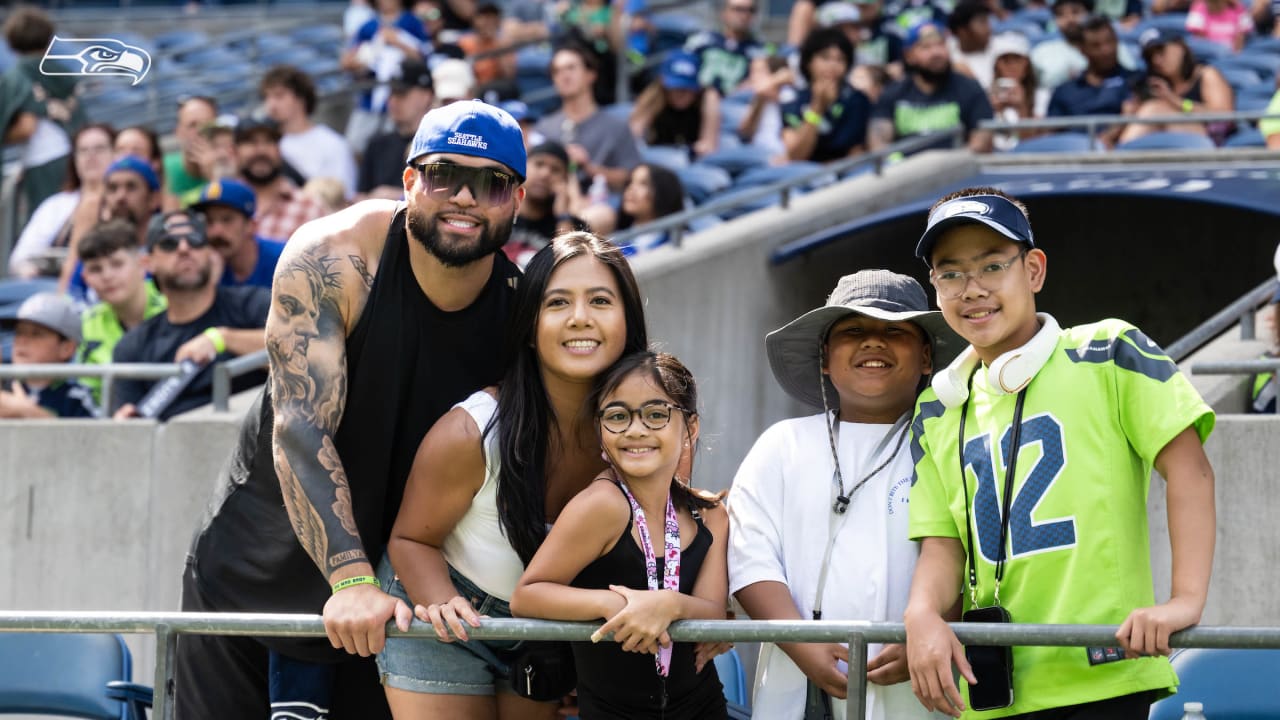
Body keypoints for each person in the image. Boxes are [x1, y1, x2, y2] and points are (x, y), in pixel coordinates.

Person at [173, 100, 528, 720]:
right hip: (256, 578)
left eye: (491, 182)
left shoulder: (520, 308)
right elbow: (301, 427)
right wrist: (350, 576)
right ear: (410, 179)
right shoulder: (334, 257)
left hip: (389, 604)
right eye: (445, 175)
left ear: (517, 198)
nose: (465, 197)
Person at [903, 187, 1216, 719]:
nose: (971, 289)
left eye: (991, 266)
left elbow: (1190, 471)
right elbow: (943, 544)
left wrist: (1184, 600)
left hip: (1105, 677)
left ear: (1034, 270)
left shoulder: (1110, 352)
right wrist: (921, 614)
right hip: (992, 690)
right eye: (950, 274)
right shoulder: (937, 405)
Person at [380, 232, 649, 718]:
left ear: (628, 320)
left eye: (601, 300)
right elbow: (409, 540)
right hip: (451, 618)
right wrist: (441, 602)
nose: (580, 317)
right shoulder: (472, 431)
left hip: (555, 627)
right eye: (558, 302)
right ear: (529, 326)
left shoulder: (650, 432)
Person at [729, 270, 959, 720]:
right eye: (853, 330)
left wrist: (934, 627)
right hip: (799, 680)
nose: (874, 342)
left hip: (918, 676)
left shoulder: (949, 443)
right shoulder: (784, 443)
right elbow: (749, 554)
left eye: (896, 331)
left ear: (927, 358)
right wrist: (799, 642)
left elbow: (969, 553)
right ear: (825, 358)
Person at [511, 350, 730, 720]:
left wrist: (668, 605)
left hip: (703, 708)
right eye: (617, 416)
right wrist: (617, 606)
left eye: (656, 414)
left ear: (689, 427)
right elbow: (527, 595)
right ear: (600, 431)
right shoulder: (603, 505)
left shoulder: (710, 515)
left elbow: (714, 616)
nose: (635, 429)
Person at [111, 210, 271, 421]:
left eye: (195, 240)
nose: (184, 249)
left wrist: (222, 339)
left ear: (209, 253)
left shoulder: (254, 304)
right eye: (169, 243)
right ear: (148, 263)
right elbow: (125, 425)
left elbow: (304, 356)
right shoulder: (133, 346)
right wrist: (126, 423)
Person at [76, 219, 168, 406]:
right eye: (96, 269)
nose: (107, 276)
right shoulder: (84, 325)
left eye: (117, 264)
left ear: (143, 264)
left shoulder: (174, 308)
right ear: (85, 278)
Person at [9, 123, 115, 279]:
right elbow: (20, 258)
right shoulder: (55, 206)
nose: (91, 156)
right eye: (83, 150)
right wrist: (31, 271)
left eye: (99, 149)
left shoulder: (124, 202)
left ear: (116, 153)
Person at [869, 22, 995, 153]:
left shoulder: (970, 88)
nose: (936, 52)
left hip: (958, 169)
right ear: (909, 56)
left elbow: (982, 142)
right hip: (905, 171)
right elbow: (879, 147)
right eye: (925, 47)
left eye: (941, 44)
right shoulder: (893, 93)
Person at [534, 45, 642, 193]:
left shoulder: (616, 126)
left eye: (571, 68)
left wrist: (589, 168)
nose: (564, 76)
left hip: (603, 204)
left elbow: (631, 176)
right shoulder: (544, 127)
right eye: (557, 71)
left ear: (590, 75)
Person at [342, 0, 430, 154]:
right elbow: (347, 60)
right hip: (370, 96)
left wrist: (397, 41)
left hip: (401, 94)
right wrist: (358, 61)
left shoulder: (413, 22)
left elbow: (424, 59)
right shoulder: (369, 25)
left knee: (396, 148)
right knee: (355, 146)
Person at [1118, 29, 1234, 145]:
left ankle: (1118, 158)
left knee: (1155, 109)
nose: (1156, 60)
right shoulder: (1153, 86)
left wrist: (1175, 101)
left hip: (1209, 141)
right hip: (1167, 143)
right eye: (1150, 56)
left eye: (1161, 51)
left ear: (1180, 47)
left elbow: (1223, 118)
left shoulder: (1206, 74)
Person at [261, 64, 359, 200]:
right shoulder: (264, 145)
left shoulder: (332, 143)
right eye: (267, 97)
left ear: (300, 98)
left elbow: (344, 194)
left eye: (279, 96)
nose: (271, 104)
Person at [0, 292, 97, 419]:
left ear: (66, 348)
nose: (21, 341)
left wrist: (27, 411)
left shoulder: (76, 398)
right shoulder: (5, 387)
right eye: (19, 333)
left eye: (36, 334)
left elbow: (87, 438)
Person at [782, 27, 874, 162]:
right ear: (808, 61)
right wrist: (817, 107)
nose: (832, 65)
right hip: (803, 171)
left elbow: (853, 151)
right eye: (825, 58)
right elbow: (796, 155)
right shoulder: (794, 100)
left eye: (840, 59)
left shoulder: (857, 100)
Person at [233, 118, 329, 244]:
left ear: (279, 149)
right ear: (234, 151)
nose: (261, 150)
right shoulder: (222, 205)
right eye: (251, 142)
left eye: (269, 141)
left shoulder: (309, 207)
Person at [1047, 17, 1139, 145]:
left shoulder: (1137, 82)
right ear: (1082, 50)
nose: (1106, 50)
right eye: (1096, 46)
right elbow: (1050, 136)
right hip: (1075, 156)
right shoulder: (1064, 91)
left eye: (1110, 42)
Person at [507, 141, 593, 267]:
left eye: (556, 170)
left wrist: (563, 216)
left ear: (565, 180)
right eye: (539, 164)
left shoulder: (576, 228)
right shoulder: (500, 212)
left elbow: (570, 267)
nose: (545, 174)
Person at [190, 178, 286, 289]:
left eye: (227, 220)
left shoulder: (284, 261)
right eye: (209, 221)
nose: (216, 231)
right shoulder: (205, 267)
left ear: (251, 225)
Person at [360, 59, 436, 200]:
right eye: (391, 93)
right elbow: (361, 195)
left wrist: (395, 197)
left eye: (402, 94)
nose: (393, 101)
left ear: (426, 96)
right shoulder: (377, 144)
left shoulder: (437, 145)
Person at [684, 0, 771, 98]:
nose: (745, 15)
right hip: (697, 99)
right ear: (724, 12)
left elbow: (761, 81)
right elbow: (683, 69)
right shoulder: (702, 41)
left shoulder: (758, 50)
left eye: (751, 10)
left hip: (737, 103)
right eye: (739, 9)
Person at [596, 163, 686, 254]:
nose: (631, 188)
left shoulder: (680, 242)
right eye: (630, 182)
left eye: (643, 184)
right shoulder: (615, 246)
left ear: (662, 193)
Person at [162, 96, 218, 211]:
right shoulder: (164, 169)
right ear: (178, 132)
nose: (200, 131)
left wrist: (214, 177)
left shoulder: (233, 167)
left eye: (207, 125)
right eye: (192, 125)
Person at [948, 1, 996, 88]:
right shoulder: (945, 55)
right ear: (962, 31)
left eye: (988, 22)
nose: (989, 29)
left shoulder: (1004, 49)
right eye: (982, 23)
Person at [1187, 0, 1254, 50]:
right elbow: (1200, 40)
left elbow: (1240, 39)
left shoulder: (1239, 8)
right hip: (1209, 54)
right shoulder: (1199, 7)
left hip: (1232, 55)